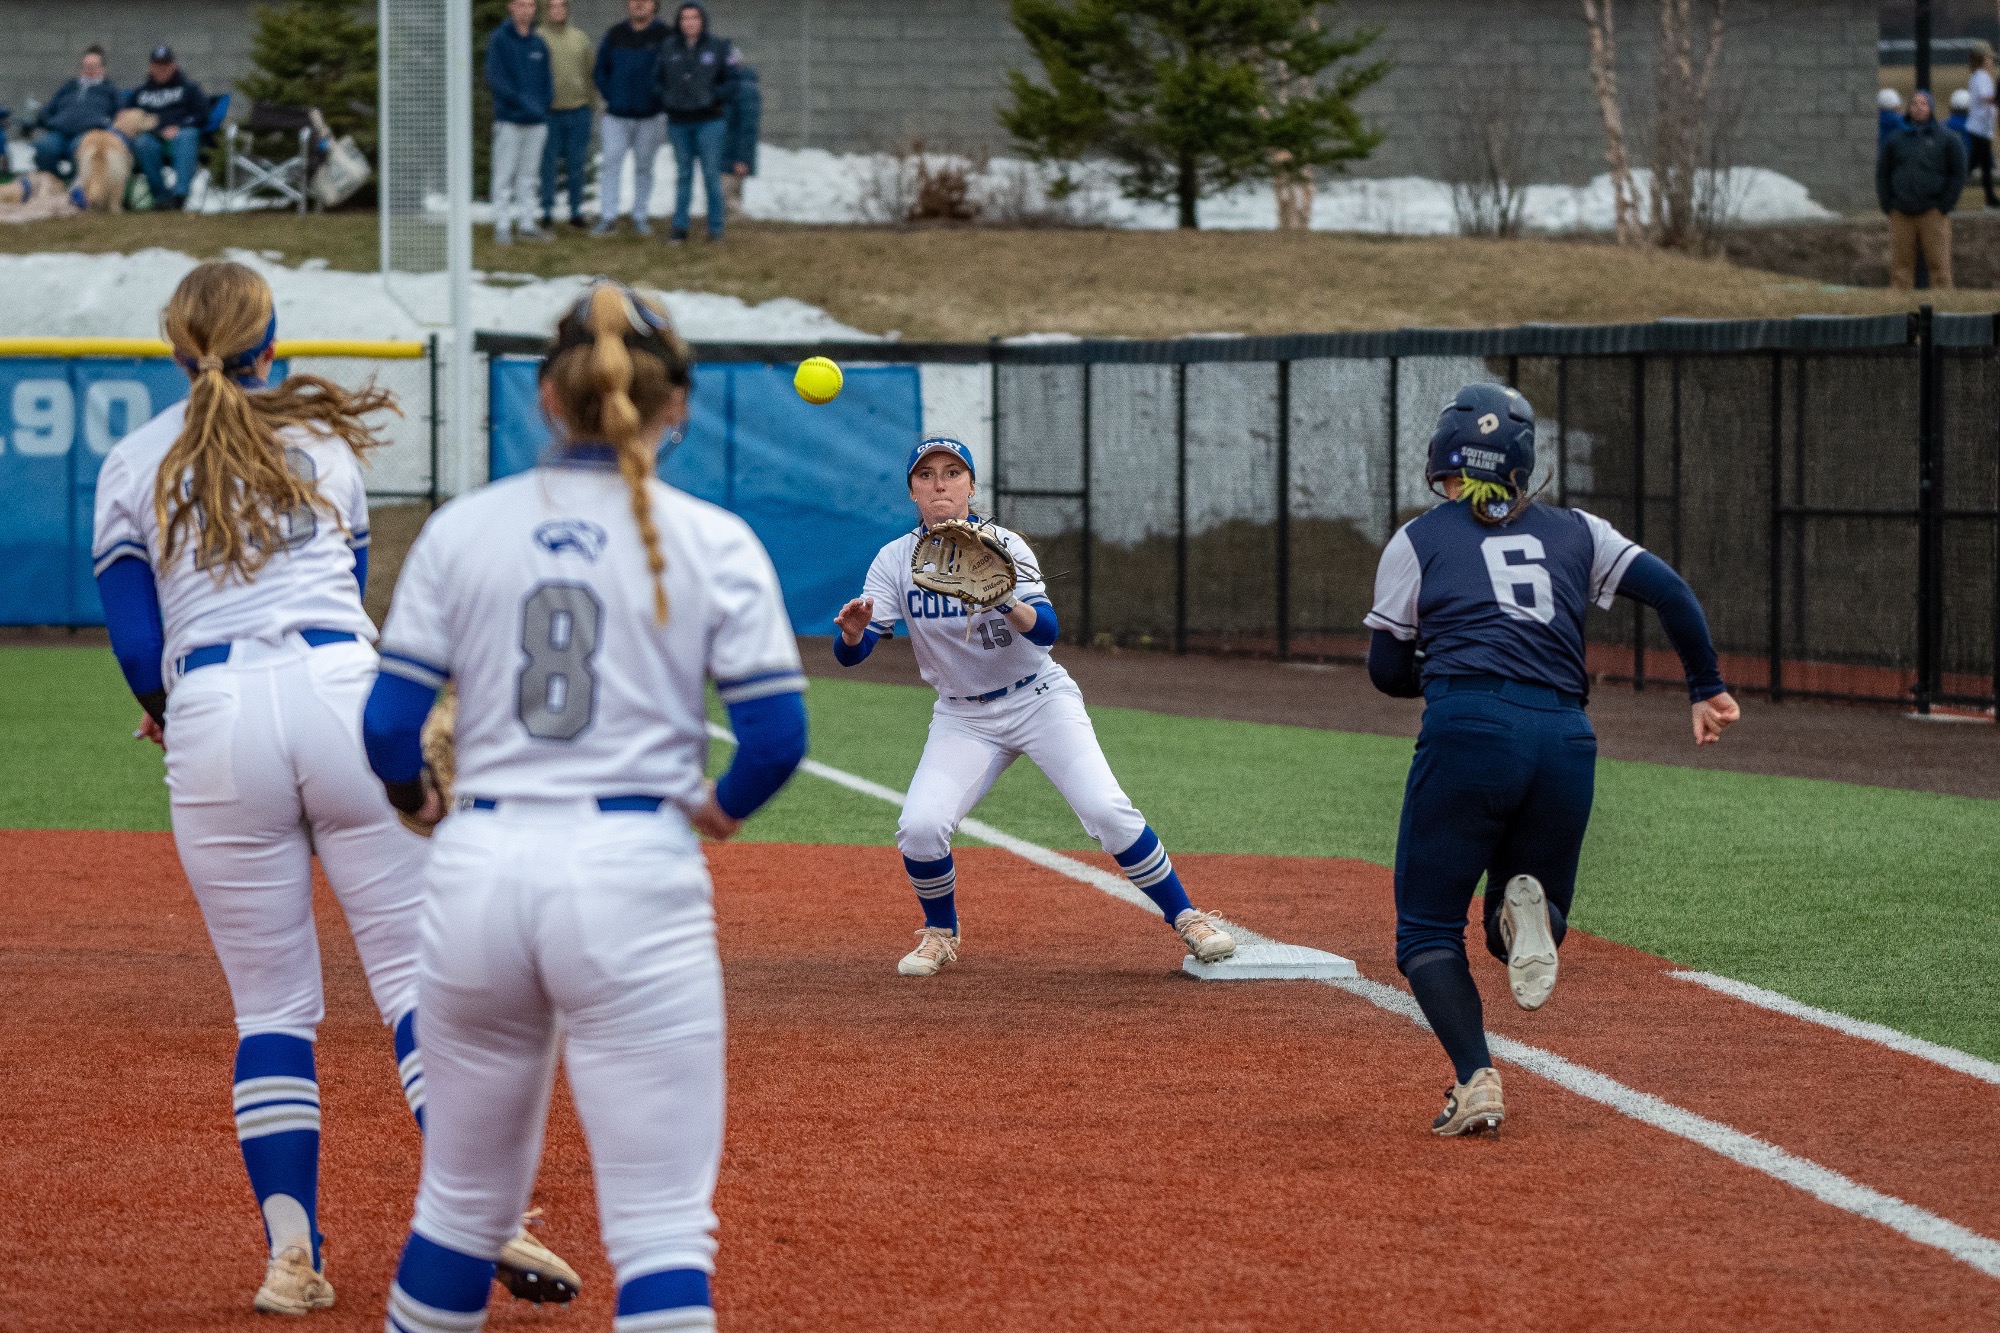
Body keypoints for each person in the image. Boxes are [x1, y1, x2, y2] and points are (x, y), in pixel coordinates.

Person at [88, 261, 580, 1313]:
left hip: (215, 717)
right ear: (272, 343)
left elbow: (134, 642)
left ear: (174, 349)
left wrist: (171, 705)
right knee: (413, 981)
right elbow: (349, 594)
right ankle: (483, 1211)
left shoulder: (133, 459)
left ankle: (291, 1257)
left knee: (271, 1007)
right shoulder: (321, 440)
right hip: (340, 695)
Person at [362, 282, 807, 1333]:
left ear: (547, 397)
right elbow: (777, 736)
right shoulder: (711, 538)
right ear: (675, 405)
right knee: (660, 1232)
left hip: (478, 864)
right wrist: (721, 807)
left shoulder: (464, 529)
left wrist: (416, 795)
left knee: (458, 1211)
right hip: (630, 871)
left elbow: (387, 727)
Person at [1364, 385, 1739, 1137]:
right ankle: (1524, 914)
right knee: (1514, 921)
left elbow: (1386, 668)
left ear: (1443, 462)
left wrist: (1448, 672)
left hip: (1470, 726)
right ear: (1524, 464)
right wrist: (1706, 686)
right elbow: (1671, 592)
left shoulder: (1418, 539)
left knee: (1428, 930)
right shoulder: (1579, 531)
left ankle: (1475, 1079)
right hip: (1566, 735)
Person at [831, 437, 1238, 977]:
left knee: (1106, 810)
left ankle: (1188, 918)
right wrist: (853, 633)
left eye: (952, 473)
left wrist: (1003, 599)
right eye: (926, 475)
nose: (939, 484)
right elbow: (852, 653)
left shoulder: (1004, 546)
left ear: (971, 486)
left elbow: (1046, 631)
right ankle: (940, 933)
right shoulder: (894, 560)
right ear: (912, 491)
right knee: (921, 827)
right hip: (963, 716)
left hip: (1038, 699)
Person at [656, 2, 741, 243]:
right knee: (684, 175)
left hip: (710, 122)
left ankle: (716, 230)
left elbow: (733, 81)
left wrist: (715, 96)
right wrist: (667, 99)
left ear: (702, 21)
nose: (689, 22)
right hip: (678, 122)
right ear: (679, 22)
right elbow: (656, 80)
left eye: (694, 17)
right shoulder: (668, 47)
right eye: (685, 18)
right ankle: (679, 228)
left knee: (711, 175)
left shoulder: (719, 47)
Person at [592, 0, 670, 236]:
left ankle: (640, 216)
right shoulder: (615, 34)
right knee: (610, 166)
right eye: (634, 1)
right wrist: (613, 95)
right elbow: (600, 70)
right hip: (616, 116)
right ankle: (608, 217)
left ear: (654, 5)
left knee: (644, 168)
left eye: (645, 1)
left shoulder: (665, 35)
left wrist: (659, 98)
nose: (639, 4)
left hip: (651, 117)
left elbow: (671, 72)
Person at [1878, 90, 1967, 290]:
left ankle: (1944, 305)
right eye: (1914, 104)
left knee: (1939, 266)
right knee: (1901, 267)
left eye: (1923, 103)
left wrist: (1945, 204)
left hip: (1932, 212)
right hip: (1901, 211)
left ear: (1931, 108)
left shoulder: (1947, 138)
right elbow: (1883, 173)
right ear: (1908, 108)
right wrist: (1888, 204)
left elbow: (1958, 173)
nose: (1919, 107)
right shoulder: (1895, 139)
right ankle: (1899, 305)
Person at [487, 0, 554, 244]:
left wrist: (542, 106)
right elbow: (496, 78)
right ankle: (502, 226)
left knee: (529, 175)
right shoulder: (499, 40)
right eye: (521, 5)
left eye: (530, 6)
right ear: (511, 7)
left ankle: (527, 224)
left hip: (537, 122)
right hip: (509, 120)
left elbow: (547, 81)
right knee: (504, 175)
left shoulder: (539, 43)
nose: (526, 10)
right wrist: (521, 103)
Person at [125, 45, 208, 211]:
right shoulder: (140, 93)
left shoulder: (189, 88)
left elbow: (202, 114)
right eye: (157, 64)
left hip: (181, 134)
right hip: (152, 135)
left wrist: (180, 126)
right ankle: (161, 198)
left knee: (188, 135)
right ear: (151, 67)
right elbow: (127, 118)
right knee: (142, 143)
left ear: (173, 65)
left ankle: (179, 196)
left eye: (166, 64)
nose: (162, 68)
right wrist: (156, 131)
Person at [538, 0, 596, 229]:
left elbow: (590, 73)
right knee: (548, 165)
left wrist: (591, 104)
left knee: (577, 164)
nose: (557, 10)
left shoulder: (579, 38)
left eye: (561, 6)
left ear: (567, 10)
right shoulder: (539, 38)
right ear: (547, 11)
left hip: (578, 110)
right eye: (553, 6)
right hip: (549, 113)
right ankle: (547, 212)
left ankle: (576, 212)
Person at [34, 45, 120, 177]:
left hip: (88, 133)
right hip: (58, 132)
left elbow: (118, 114)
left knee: (81, 149)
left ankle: (77, 187)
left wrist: (105, 126)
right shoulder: (70, 86)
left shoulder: (109, 89)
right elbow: (49, 108)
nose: (89, 70)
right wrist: (50, 122)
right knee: (45, 146)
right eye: (86, 66)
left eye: (93, 66)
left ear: (102, 68)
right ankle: (53, 183)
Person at [722, 59, 760, 217]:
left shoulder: (744, 89)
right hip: (728, 153)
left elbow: (748, 128)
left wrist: (742, 159)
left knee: (729, 202)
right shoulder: (731, 86)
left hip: (732, 155)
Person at [1967, 45, 1997, 209]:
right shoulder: (1981, 77)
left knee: (1984, 166)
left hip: (1983, 128)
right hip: (1979, 127)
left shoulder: (1980, 76)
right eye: (1989, 58)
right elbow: (1985, 98)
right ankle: (1946, 192)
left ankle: (1990, 198)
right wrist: (1997, 97)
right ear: (1982, 59)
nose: (1991, 61)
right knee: (1972, 165)